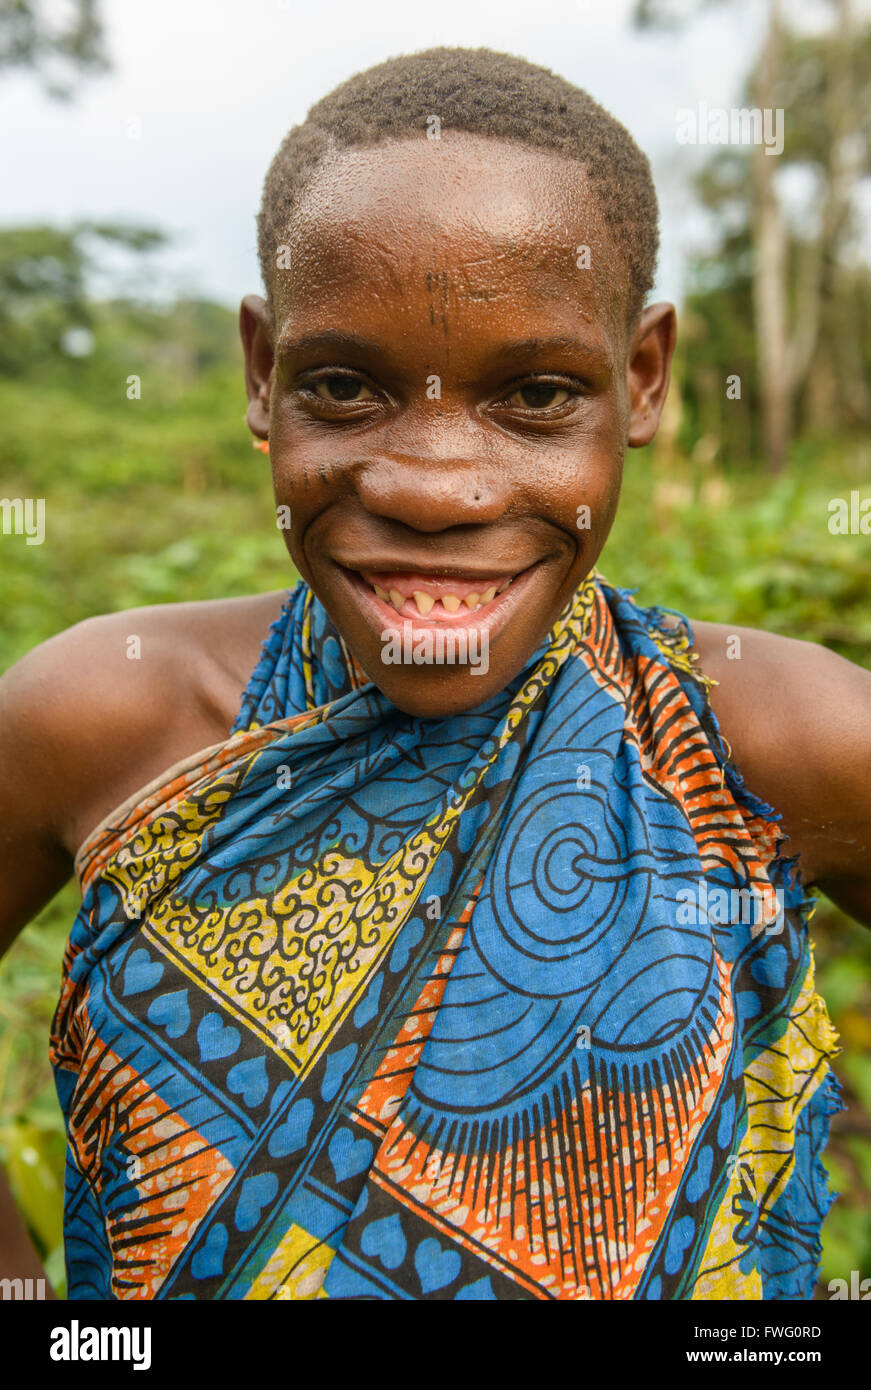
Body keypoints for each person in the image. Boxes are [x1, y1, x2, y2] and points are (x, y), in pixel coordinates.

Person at [1, 46, 869, 1302]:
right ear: (262, 374)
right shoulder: (103, 719)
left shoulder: (769, 747)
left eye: (534, 395)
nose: (428, 483)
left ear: (640, 380)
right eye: (342, 387)